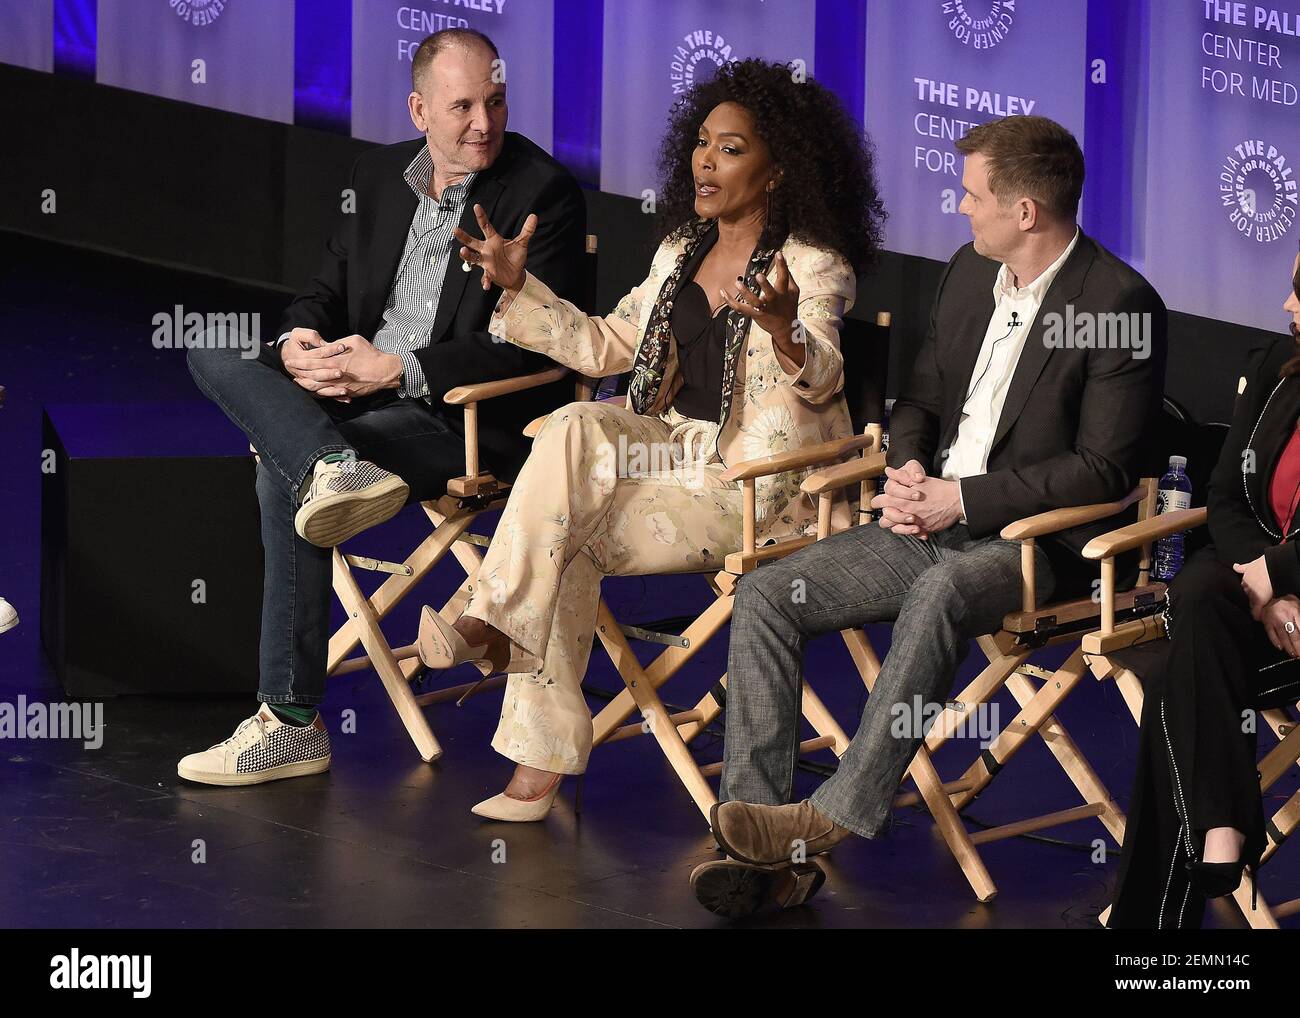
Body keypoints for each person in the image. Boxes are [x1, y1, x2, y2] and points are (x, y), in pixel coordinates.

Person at [692, 115, 1168, 917]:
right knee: (769, 594)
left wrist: (965, 498)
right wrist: (911, 468)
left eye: (973, 194)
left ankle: (830, 816)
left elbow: (1104, 469)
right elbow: (918, 400)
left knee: (942, 593)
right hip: (929, 514)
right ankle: (762, 846)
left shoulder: (1119, 303)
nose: (959, 206)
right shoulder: (965, 272)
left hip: (1031, 546)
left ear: (1025, 212)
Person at [416, 59, 887, 820]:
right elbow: (608, 346)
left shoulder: (813, 266)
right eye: (702, 143)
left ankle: (518, 711)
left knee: (567, 535)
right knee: (572, 427)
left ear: (777, 170)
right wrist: (515, 288)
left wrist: (784, 331)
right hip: (667, 450)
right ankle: (498, 625)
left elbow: (826, 371)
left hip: (756, 488)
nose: (706, 160)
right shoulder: (680, 251)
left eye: (731, 148)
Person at [178, 28, 585, 785]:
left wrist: (395, 369)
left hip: (457, 421)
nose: (484, 123)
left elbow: (543, 349)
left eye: (495, 102)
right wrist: (304, 338)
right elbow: (326, 292)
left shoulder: (541, 193)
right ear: (419, 109)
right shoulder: (373, 176)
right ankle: (332, 462)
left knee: (280, 473)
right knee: (211, 352)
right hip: (353, 391)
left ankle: (289, 722)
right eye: (462, 105)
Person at [1108, 247, 1300, 928]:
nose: (1287, 307)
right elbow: (1224, 499)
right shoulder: (1278, 375)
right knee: (1198, 597)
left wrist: (1282, 572)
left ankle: (1155, 930)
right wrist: (1268, 586)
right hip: (1265, 608)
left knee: (1175, 678)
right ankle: (1221, 823)